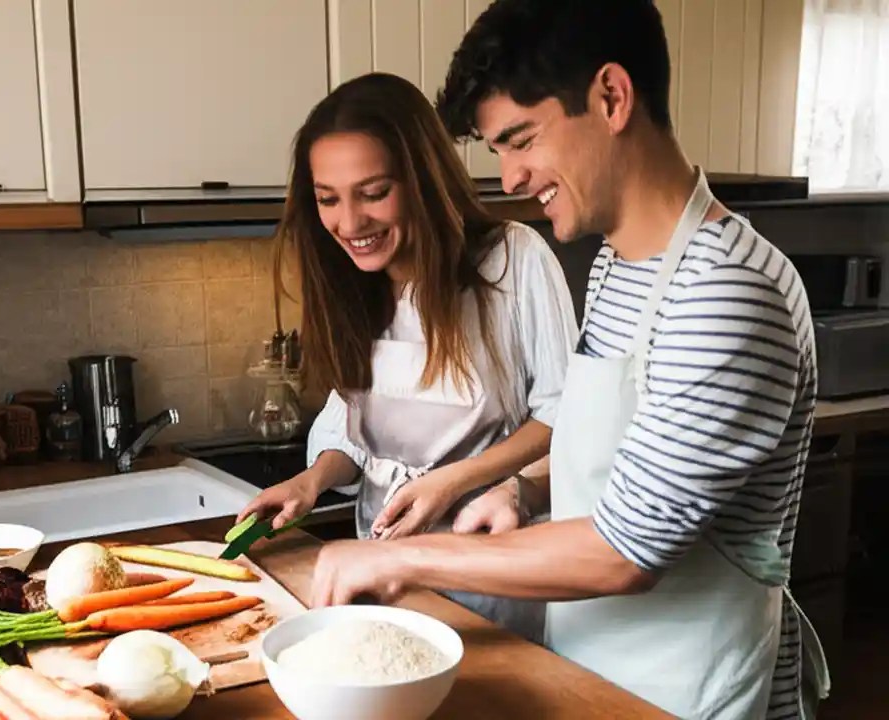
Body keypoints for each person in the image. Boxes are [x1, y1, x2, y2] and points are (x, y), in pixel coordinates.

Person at [308, 1, 831, 718]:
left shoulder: (727, 293)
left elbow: (623, 553)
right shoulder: (621, 264)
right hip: (593, 674)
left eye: (521, 140)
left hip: (693, 692)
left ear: (611, 97)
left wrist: (397, 556)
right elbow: (619, 454)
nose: (512, 177)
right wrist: (525, 491)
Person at [236, 71, 577, 643]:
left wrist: (453, 480)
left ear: (422, 178)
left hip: (490, 575)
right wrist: (310, 482)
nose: (350, 223)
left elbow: (563, 414)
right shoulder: (348, 284)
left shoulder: (512, 261)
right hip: (382, 570)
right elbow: (355, 429)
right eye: (328, 199)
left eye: (373, 193)